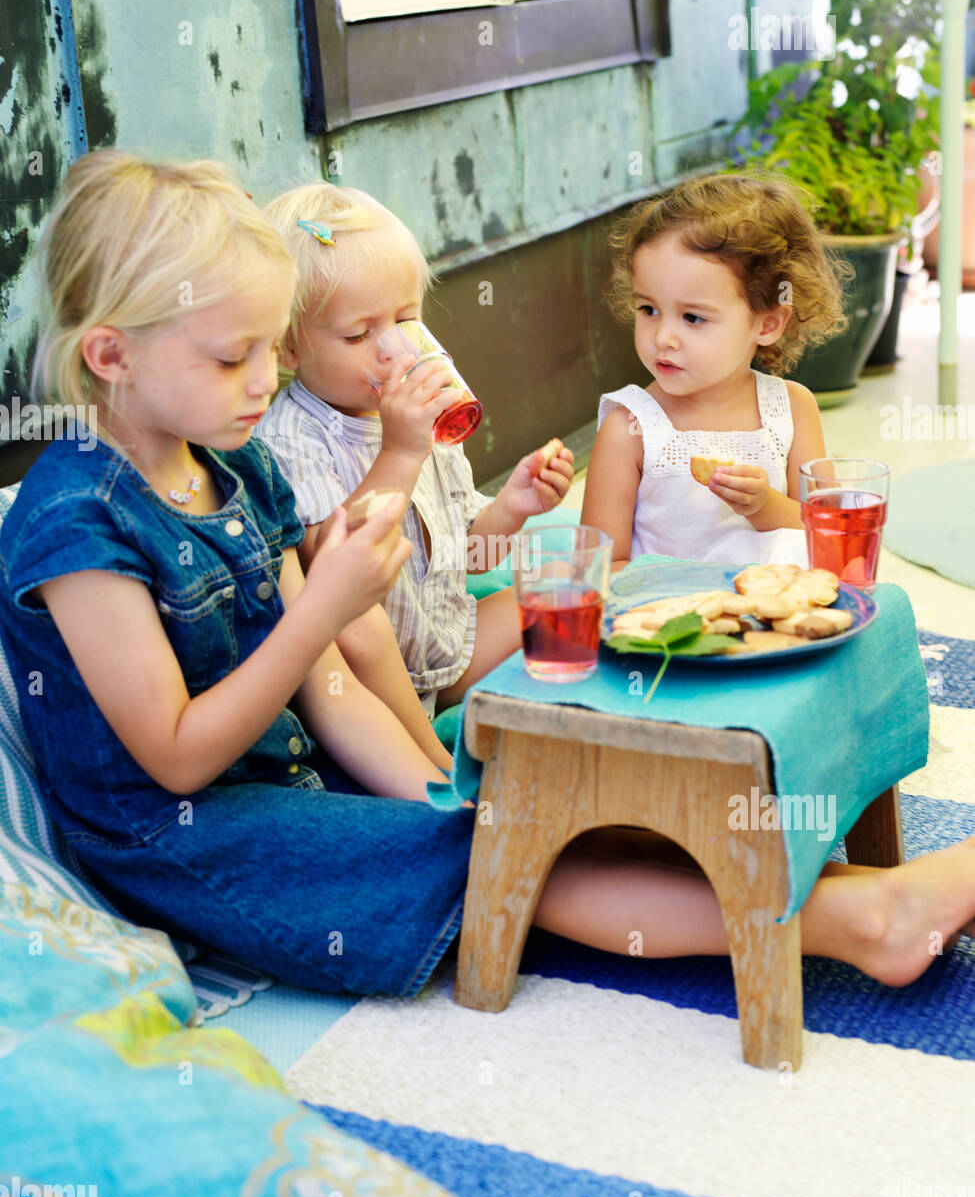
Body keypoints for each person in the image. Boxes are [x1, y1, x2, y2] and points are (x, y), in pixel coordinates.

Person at [2, 148, 973, 1002]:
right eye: (235, 356)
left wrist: (433, 778)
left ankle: (865, 898)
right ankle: (868, 922)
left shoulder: (230, 462)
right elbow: (177, 757)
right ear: (110, 355)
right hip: (192, 840)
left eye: (273, 348)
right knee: (488, 851)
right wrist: (328, 619)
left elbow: (334, 677)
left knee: (511, 811)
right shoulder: (79, 526)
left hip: (302, 771)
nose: (267, 378)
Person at [254, 183, 573, 768]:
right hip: (369, 684)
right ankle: (440, 766)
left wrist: (515, 505)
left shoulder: (423, 412)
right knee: (357, 624)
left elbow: (467, 554)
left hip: (445, 646)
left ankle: (590, 728)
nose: (394, 349)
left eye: (406, 319)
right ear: (288, 348)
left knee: (570, 590)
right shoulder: (290, 441)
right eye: (358, 334)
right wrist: (400, 452)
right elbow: (334, 566)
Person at [582, 172, 847, 569]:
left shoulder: (792, 409)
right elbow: (598, 565)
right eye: (648, 309)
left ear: (768, 323)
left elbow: (829, 535)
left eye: (692, 317)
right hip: (666, 618)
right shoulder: (630, 428)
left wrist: (764, 506)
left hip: (772, 609)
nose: (663, 338)